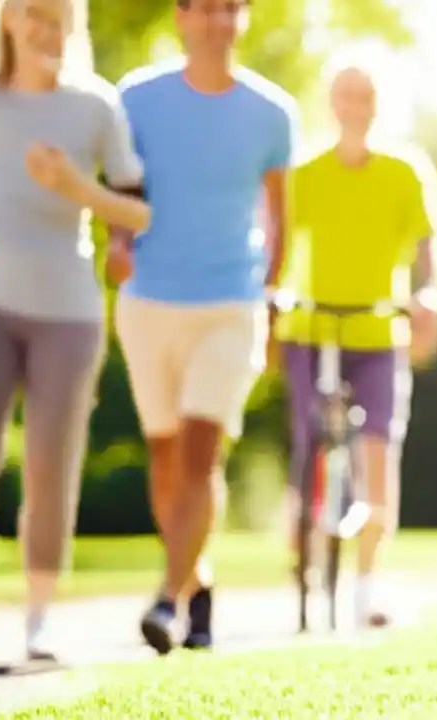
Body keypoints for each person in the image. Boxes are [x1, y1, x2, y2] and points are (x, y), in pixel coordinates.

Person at [0, 0, 149, 660]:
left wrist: (79, 192)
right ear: (7, 19)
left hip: (70, 311)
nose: (44, 27)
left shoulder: (95, 106)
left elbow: (134, 208)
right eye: (33, 12)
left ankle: (38, 617)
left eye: (57, 16)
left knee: (54, 466)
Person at [109, 0, 301, 654]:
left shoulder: (272, 112)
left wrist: (269, 295)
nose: (219, 20)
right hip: (148, 301)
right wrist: (115, 240)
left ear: (240, 19)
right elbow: (122, 188)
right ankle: (197, 583)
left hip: (230, 302)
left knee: (198, 453)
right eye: (207, 8)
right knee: (164, 462)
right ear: (182, 15)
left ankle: (165, 598)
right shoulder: (136, 97)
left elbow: (280, 220)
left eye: (231, 8)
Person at [273, 58, 437, 630]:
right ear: (331, 101)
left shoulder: (404, 171)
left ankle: (368, 584)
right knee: (309, 445)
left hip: (377, 330)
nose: (355, 104)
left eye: (366, 94)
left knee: (377, 450)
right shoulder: (306, 171)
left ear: (379, 103)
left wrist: (429, 296)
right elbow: (275, 240)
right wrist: (269, 293)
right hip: (312, 328)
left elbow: (427, 248)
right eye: (345, 93)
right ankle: (304, 539)